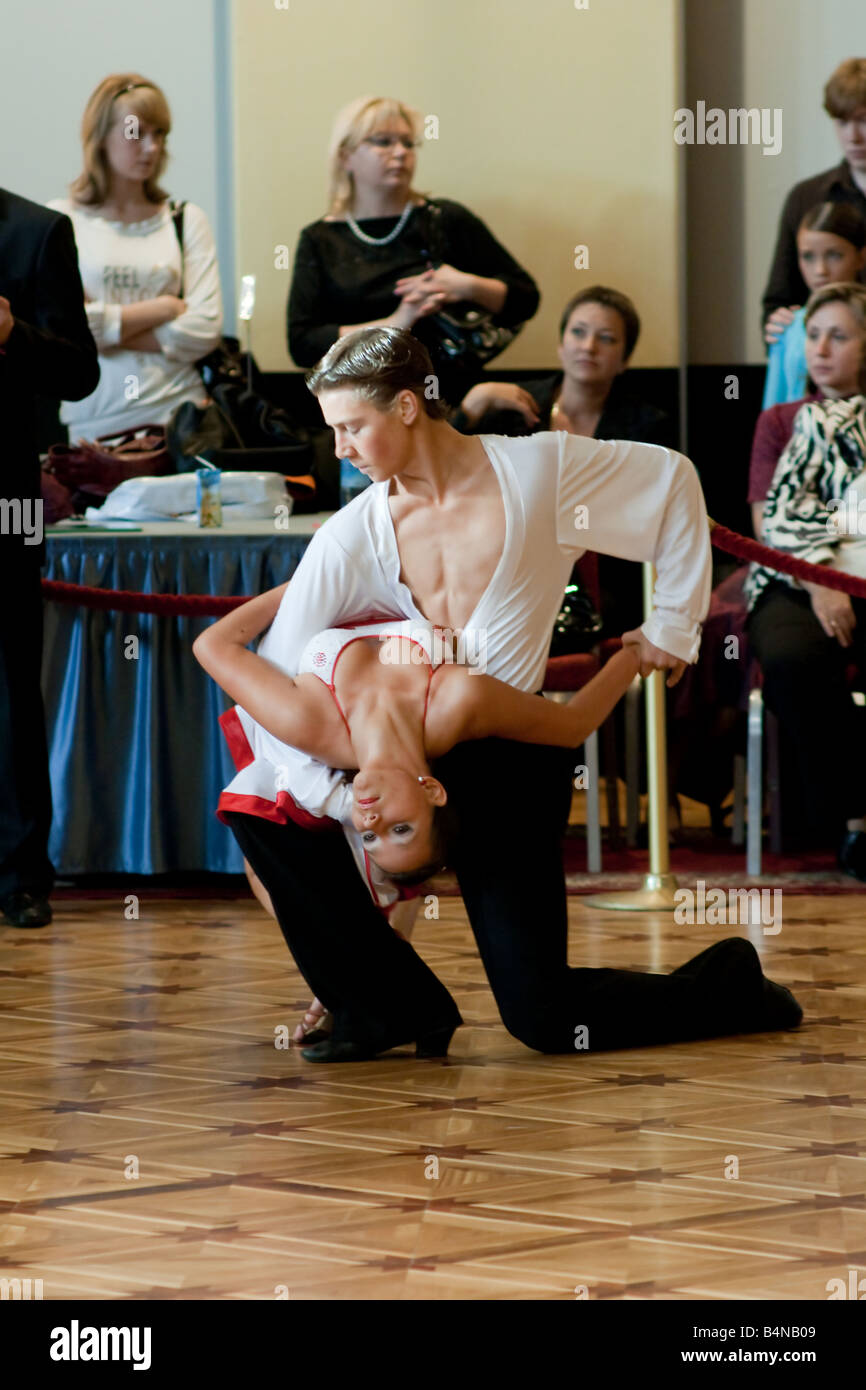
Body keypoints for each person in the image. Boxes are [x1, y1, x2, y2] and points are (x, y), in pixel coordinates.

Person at [214, 326, 803, 1062]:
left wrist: (673, 626)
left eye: (352, 427)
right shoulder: (352, 533)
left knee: (545, 1020)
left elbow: (674, 482)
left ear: (405, 406)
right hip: (420, 753)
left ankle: (728, 985)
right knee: (257, 814)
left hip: (512, 760)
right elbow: (278, 666)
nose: (341, 449)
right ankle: (381, 1004)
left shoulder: (539, 473)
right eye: (334, 430)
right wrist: (339, 825)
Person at [287, 96, 539, 406]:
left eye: (408, 143)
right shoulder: (320, 239)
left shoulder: (445, 219)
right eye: (383, 142)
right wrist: (396, 323)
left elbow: (526, 298)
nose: (400, 153)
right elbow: (302, 344)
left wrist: (466, 285)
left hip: (452, 401)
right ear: (346, 156)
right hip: (364, 407)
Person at [453, 285, 676, 635]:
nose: (588, 347)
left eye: (606, 338)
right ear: (560, 345)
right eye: (578, 332)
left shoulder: (646, 425)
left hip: (604, 582)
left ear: (626, 360)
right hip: (506, 569)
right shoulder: (513, 405)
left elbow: (649, 520)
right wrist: (474, 404)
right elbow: (445, 467)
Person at [0, 188, 99, 928]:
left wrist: (11, 335)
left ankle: (18, 876)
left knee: (7, 685)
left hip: (4, 505)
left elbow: (79, 373)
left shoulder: (36, 233)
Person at [746, 283, 866, 878]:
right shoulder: (781, 420)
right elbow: (766, 520)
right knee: (794, 658)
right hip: (792, 579)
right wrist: (821, 581)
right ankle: (853, 821)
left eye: (839, 336)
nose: (821, 349)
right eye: (812, 336)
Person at [48, 73, 222, 442]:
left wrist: (103, 327)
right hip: (93, 423)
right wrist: (162, 308)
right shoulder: (61, 221)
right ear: (99, 137)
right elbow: (61, 334)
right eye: (135, 133)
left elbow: (205, 330)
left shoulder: (183, 219)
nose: (152, 147)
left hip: (181, 418)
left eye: (160, 134)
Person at [763, 58, 866, 336]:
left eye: (863, 121)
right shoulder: (806, 197)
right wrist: (777, 324)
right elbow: (780, 300)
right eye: (842, 123)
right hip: (826, 356)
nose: (853, 137)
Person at [762, 202, 866, 408]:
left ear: (861, 257)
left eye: (834, 255)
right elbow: (774, 404)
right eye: (808, 256)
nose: (820, 270)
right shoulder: (788, 327)